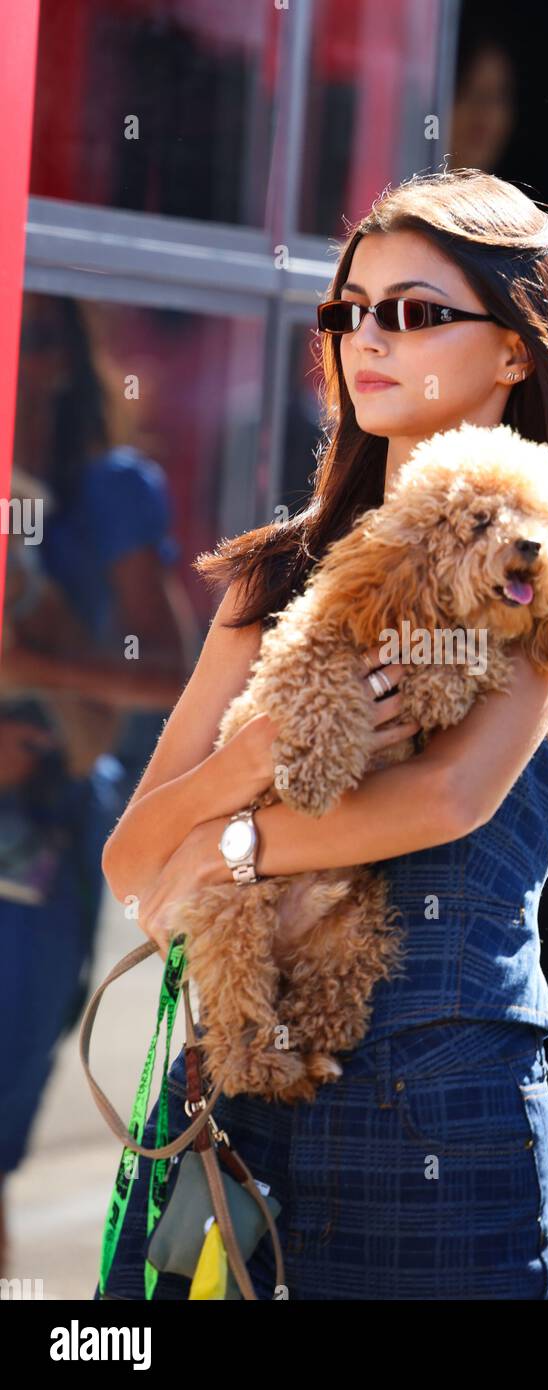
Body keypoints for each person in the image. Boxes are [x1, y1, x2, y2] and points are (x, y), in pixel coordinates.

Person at [94, 168, 548, 1300]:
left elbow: (449, 799)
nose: (368, 339)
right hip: (229, 1104)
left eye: (416, 312)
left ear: (515, 350)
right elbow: (131, 860)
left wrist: (229, 847)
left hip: (431, 1107)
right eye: (351, 311)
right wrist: (236, 773)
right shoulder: (279, 568)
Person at [0, 293, 192, 1275]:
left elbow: (172, 672)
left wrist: (39, 674)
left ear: (69, 361)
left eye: (35, 340)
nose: (19, 361)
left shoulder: (110, 487)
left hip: (36, 853)